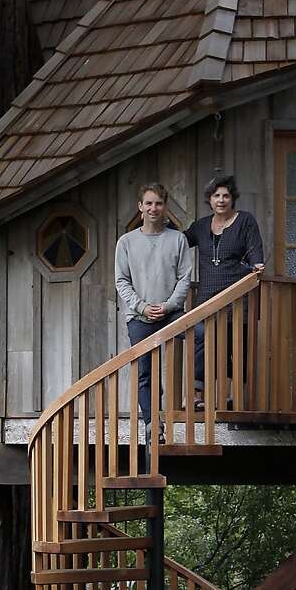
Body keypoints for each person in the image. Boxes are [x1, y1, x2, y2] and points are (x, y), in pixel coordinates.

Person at [114, 184, 193, 431]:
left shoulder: (178, 239)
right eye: (148, 203)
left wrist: (169, 306)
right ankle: (151, 422)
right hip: (139, 317)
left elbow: (185, 277)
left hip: (172, 314)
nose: (153, 208)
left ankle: (197, 397)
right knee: (145, 372)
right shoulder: (126, 242)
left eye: (158, 203)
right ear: (140, 207)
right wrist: (142, 307)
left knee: (201, 336)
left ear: (165, 207)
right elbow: (121, 280)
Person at [186, 172, 265, 407]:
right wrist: (159, 231)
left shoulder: (245, 221)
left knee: (236, 346)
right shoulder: (200, 226)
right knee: (203, 341)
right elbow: (178, 244)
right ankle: (197, 395)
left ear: (232, 199)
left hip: (238, 296)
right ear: (209, 200)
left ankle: (235, 397)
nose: (221, 200)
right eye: (216, 195)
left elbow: (254, 247)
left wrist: (257, 262)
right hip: (207, 299)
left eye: (225, 195)